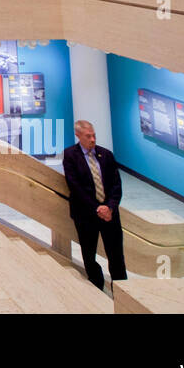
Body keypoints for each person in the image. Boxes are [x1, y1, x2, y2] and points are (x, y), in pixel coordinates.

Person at [62, 120, 126, 290]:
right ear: (78, 136)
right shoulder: (70, 155)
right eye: (88, 136)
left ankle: (122, 290)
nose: (92, 139)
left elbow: (116, 184)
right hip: (86, 214)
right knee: (89, 254)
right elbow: (75, 186)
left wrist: (109, 207)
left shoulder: (106, 155)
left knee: (116, 255)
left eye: (94, 135)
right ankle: (97, 285)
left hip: (109, 214)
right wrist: (96, 208)